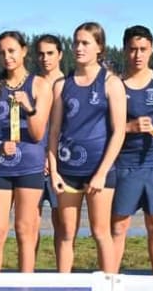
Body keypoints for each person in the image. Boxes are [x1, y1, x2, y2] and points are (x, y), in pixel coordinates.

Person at [47, 22, 127, 274]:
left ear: (99, 47)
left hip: (99, 170)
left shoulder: (111, 83)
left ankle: (110, 288)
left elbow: (119, 132)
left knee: (100, 232)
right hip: (68, 169)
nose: (79, 48)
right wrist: (54, 170)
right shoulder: (62, 84)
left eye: (85, 43)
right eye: (76, 42)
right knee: (66, 233)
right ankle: (64, 289)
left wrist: (102, 172)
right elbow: (54, 131)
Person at [111, 26, 153, 275]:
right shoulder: (115, 84)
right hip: (123, 165)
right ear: (124, 50)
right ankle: (111, 279)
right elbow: (105, 130)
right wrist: (129, 127)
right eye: (132, 49)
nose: (137, 55)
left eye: (143, 49)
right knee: (119, 227)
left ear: (151, 50)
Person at [0, 31, 52, 272]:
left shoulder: (40, 85)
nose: (7, 56)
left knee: (25, 231)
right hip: (0, 167)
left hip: (30, 166)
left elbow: (37, 133)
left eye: (12, 51)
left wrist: (29, 107)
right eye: (2, 52)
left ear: (23, 51)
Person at [33, 34, 65, 258]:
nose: (45, 58)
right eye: (41, 54)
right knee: (30, 225)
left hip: (62, 161)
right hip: (33, 161)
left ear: (60, 54)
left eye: (50, 53)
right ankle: (28, 278)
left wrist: (51, 157)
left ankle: (63, 279)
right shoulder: (32, 84)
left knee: (62, 225)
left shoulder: (70, 84)